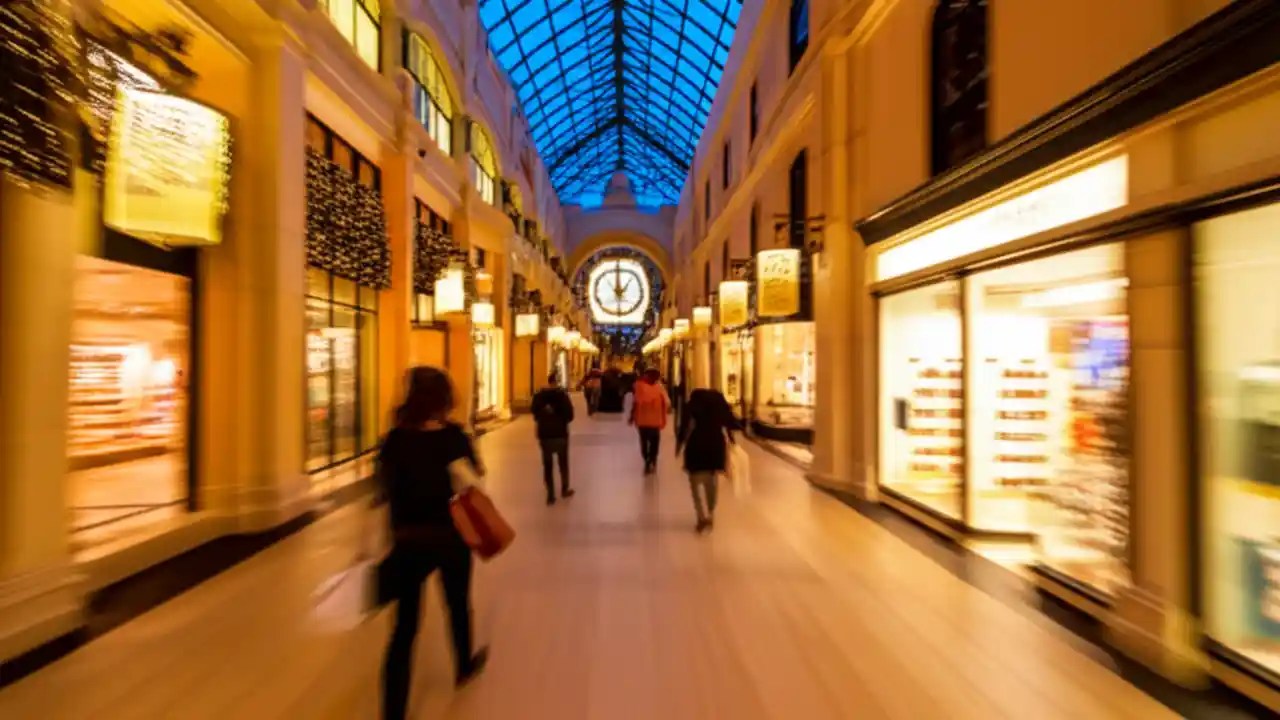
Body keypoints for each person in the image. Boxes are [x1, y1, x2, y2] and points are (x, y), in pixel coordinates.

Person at [375, 367, 488, 720]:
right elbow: (474, 482)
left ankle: (394, 710)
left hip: (408, 540)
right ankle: (464, 665)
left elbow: (384, 490)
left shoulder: (394, 440)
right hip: (450, 537)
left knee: (404, 628)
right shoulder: (453, 439)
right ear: (444, 398)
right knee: (457, 604)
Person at [675, 388, 738, 533]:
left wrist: (678, 446)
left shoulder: (692, 406)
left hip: (695, 448)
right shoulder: (719, 407)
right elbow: (732, 423)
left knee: (695, 487)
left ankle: (701, 516)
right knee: (712, 485)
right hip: (715, 448)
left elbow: (683, 428)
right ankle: (710, 513)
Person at [531, 372, 576, 505]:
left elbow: (534, 412)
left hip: (545, 434)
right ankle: (564, 488)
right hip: (560, 433)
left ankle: (550, 494)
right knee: (563, 463)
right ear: (556, 382)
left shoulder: (539, 396)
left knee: (547, 465)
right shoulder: (562, 396)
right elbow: (570, 415)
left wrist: (544, 416)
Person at [629, 368, 670, 474]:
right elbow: (667, 403)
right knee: (654, 442)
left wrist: (632, 416)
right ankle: (651, 459)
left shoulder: (639, 386)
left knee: (645, 441)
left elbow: (635, 402)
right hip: (654, 421)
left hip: (643, 420)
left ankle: (648, 459)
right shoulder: (658, 387)